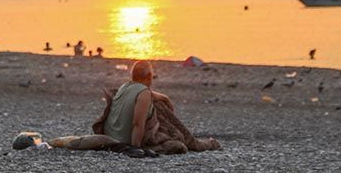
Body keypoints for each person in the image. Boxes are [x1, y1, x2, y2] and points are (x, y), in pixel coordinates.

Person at [52, 60, 220, 154]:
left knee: (159, 108)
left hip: (112, 134)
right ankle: (198, 143)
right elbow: (138, 124)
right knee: (179, 146)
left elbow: (156, 97)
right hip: (126, 140)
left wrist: (165, 99)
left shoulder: (126, 87)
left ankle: (196, 142)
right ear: (149, 76)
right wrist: (135, 148)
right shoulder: (143, 94)